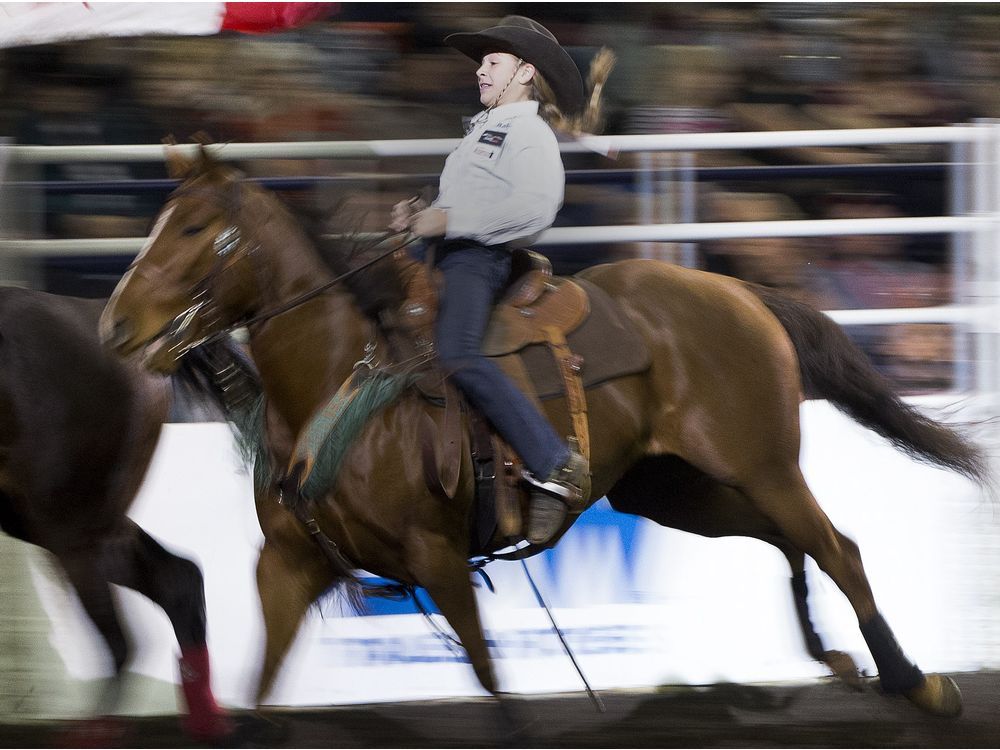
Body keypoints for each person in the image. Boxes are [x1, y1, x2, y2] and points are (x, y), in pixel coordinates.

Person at [389, 16, 613, 545]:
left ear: (524, 72)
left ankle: (554, 462)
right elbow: (467, 202)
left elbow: (536, 210)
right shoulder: (483, 132)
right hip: (444, 254)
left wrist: (448, 221)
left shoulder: (529, 132)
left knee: (459, 353)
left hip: (476, 260)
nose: (481, 73)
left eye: (492, 63)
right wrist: (421, 213)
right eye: (483, 64)